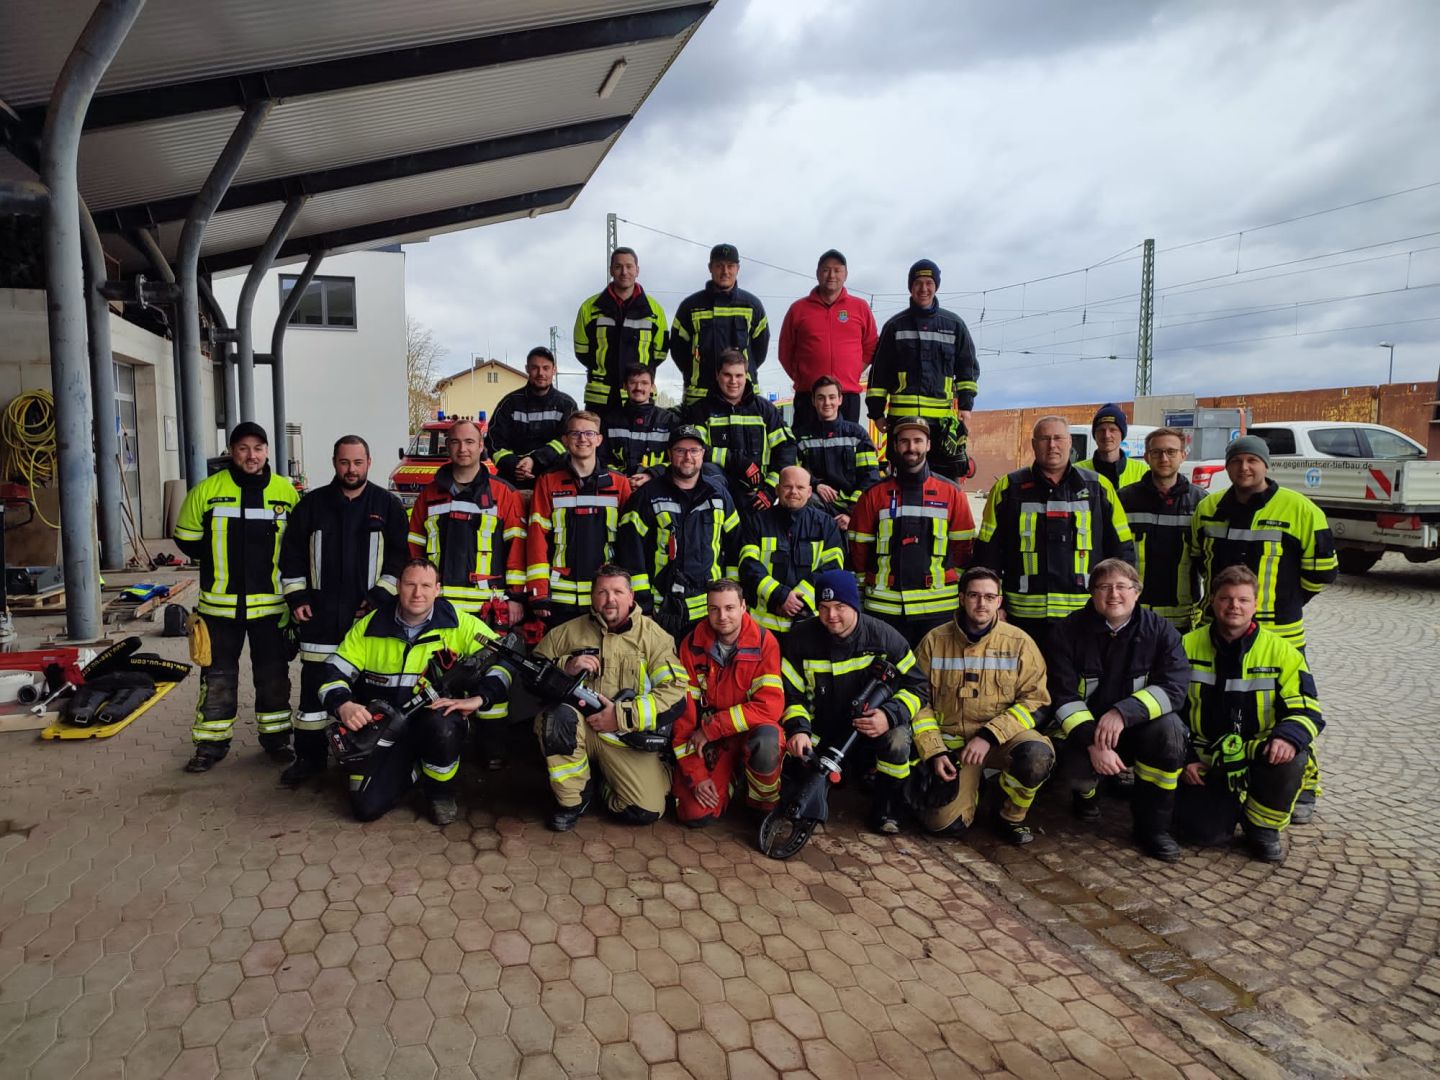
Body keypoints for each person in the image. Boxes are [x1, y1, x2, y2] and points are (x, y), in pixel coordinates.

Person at [1191, 434, 1337, 823]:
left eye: (1253, 461)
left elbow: (1323, 572)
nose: (1245, 468)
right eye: (1237, 461)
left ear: (1266, 465)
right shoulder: (1208, 508)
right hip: (1217, 630)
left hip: (1281, 633)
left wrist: (1287, 603)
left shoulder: (1301, 510)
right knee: (1219, 706)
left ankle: (1304, 787)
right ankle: (1224, 772)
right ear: (1227, 466)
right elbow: (1196, 559)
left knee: (1292, 708)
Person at [319, 560, 513, 825]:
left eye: (425, 585)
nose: (417, 593)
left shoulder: (461, 624)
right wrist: (344, 705)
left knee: (442, 727)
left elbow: (504, 660)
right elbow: (332, 673)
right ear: (398, 587)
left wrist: (479, 699)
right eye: (410, 584)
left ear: (438, 589)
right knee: (365, 808)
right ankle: (413, 768)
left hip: (434, 721)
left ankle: (440, 792)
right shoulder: (370, 626)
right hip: (384, 731)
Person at [278, 435, 411, 785]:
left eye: (357, 463)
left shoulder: (388, 505)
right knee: (313, 693)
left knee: (367, 689)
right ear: (334, 462)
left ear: (369, 462)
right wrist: (298, 598)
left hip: (368, 618)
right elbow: (291, 555)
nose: (350, 470)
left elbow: (400, 557)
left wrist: (380, 596)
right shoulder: (311, 505)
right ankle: (309, 758)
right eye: (343, 462)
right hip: (319, 617)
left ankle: (363, 754)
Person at [173, 422, 299, 773]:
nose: (251, 455)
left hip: (272, 608)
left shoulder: (285, 492)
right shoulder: (207, 491)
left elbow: (297, 545)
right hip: (219, 608)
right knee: (217, 678)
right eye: (243, 448)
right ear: (232, 450)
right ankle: (210, 746)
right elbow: (186, 538)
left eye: (258, 448)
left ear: (268, 451)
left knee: (274, 676)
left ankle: (276, 740)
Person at [1178, 566, 1322, 862]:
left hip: (1260, 753)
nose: (1234, 606)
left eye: (1243, 600)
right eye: (1226, 598)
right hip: (1208, 758)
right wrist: (1187, 758)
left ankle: (1262, 826)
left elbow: (1307, 709)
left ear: (1255, 605)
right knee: (1203, 835)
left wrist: (1287, 737)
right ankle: (1226, 806)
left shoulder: (1282, 652)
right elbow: (1171, 709)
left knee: (1292, 754)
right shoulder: (1185, 646)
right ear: (1212, 602)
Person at [1049, 559, 1190, 861]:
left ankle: (1153, 827)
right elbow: (1062, 696)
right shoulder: (1067, 631)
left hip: (1138, 729)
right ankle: (1086, 794)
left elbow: (1174, 688)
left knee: (1172, 733)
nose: (1114, 594)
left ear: (1136, 592)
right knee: (1071, 771)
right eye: (1104, 587)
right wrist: (1093, 742)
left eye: (1122, 587)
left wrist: (1123, 713)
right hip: (1085, 732)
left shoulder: (1161, 631)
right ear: (1092, 593)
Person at [533, 565, 687, 831]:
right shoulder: (567, 632)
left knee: (644, 811)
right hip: (580, 729)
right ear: (592, 596)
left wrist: (620, 716)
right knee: (555, 720)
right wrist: (566, 666)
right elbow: (533, 673)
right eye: (602, 592)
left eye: (617, 592)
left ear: (631, 596)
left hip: (625, 735)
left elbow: (675, 693)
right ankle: (574, 801)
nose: (610, 599)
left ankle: (607, 784)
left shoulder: (654, 637)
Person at [910, 567, 1053, 844]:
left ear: (999, 601)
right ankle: (973, 787)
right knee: (942, 826)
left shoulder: (1020, 643)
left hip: (1002, 741)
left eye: (989, 597)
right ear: (961, 598)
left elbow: (1036, 702)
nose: (981, 603)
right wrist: (934, 752)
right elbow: (917, 701)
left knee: (1036, 756)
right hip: (954, 748)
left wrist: (989, 736)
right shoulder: (933, 642)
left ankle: (1009, 816)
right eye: (974, 595)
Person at [780, 570, 928, 834]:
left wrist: (889, 716)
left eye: (840, 607)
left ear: (855, 604)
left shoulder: (885, 638)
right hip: (821, 732)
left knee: (897, 741)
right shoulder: (801, 639)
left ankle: (886, 809)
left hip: (871, 730)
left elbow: (919, 687)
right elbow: (792, 694)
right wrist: (799, 729)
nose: (831, 616)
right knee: (795, 782)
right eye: (823, 608)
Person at [973, 415, 1135, 655]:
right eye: (1045, 439)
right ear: (1033, 444)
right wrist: (994, 605)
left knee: (1078, 684)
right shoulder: (1008, 488)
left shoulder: (1098, 488)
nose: (1052, 445)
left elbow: (1122, 552)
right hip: (1022, 618)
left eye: (1058, 438)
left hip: (1085, 615)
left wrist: (1120, 603)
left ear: (1070, 442)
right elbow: (987, 554)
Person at [848, 418, 975, 648]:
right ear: (895, 446)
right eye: (904, 441)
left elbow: (963, 549)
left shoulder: (952, 494)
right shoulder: (873, 495)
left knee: (934, 678)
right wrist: (862, 593)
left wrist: (954, 586)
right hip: (884, 608)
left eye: (918, 441)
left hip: (938, 609)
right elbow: (858, 549)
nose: (911, 447)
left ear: (928, 445)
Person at [671, 580, 785, 825]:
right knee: (693, 814)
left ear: (744, 607)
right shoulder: (691, 645)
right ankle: (732, 778)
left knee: (767, 741)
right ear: (707, 610)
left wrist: (712, 728)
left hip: (743, 733)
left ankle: (762, 807)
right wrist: (697, 775)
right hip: (710, 740)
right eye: (714, 609)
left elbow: (770, 707)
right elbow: (683, 717)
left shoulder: (765, 643)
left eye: (730, 608)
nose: (722, 616)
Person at [616, 425, 741, 643]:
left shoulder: (719, 494)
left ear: (703, 454)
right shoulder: (648, 496)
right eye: (680, 450)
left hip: (709, 609)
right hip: (662, 610)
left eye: (694, 451)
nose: (688, 457)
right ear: (670, 454)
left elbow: (734, 546)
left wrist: (730, 594)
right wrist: (644, 604)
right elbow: (630, 553)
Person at [866, 259, 978, 480]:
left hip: (941, 425)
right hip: (902, 421)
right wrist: (877, 413)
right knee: (902, 483)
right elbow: (879, 373)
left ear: (936, 286)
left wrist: (966, 405)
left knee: (947, 483)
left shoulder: (954, 325)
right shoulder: (895, 326)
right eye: (918, 283)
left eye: (929, 282)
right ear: (910, 287)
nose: (924, 289)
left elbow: (968, 367)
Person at [407, 418, 526, 619]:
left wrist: (515, 597)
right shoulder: (428, 496)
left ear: (481, 446)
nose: (463, 448)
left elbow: (517, 549)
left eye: (469, 442)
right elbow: (414, 550)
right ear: (448, 447)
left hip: (487, 608)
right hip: (437, 607)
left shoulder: (504, 494)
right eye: (455, 442)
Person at [527, 411, 632, 628]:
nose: (582, 439)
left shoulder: (619, 484)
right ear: (565, 440)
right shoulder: (548, 481)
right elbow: (537, 537)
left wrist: (629, 594)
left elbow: (630, 545)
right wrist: (539, 592)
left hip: (606, 599)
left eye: (589, 433)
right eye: (575, 433)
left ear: (599, 439)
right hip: (560, 599)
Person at [737, 466, 846, 633]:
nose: (793, 491)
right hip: (763, 627)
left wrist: (797, 602)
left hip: (808, 623)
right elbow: (748, 565)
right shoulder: (757, 522)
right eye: (787, 486)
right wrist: (779, 595)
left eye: (800, 487)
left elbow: (833, 566)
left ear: (810, 492)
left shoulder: (826, 525)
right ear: (777, 489)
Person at [778, 249, 878, 427]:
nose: (831, 275)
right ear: (817, 273)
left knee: (846, 450)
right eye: (826, 270)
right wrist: (802, 377)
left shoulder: (860, 308)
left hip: (847, 397)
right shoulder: (798, 309)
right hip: (809, 397)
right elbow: (785, 352)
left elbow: (871, 347)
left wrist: (854, 372)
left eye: (837, 270)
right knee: (806, 451)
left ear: (845, 274)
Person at [688, 348, 796, 511]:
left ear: (746, 376)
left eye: (738, 375)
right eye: (727, 375)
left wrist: (770, 490)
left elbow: (786, 451)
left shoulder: (765, 410)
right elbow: (695, 450)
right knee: (708, 471)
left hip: (759, 494)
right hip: (719, 494)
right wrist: (737, 461)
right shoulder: (702, 410)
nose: (733, 381)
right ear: (718, 375)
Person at [1119, 427, 1205, 632]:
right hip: (1133, 615)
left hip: (1183, 619)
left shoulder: (1201, 503)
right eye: (1156, 452)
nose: (1164, 458)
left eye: (1171, 452)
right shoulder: (1124, 500)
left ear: (1183, 456)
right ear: (1147, 457)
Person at [670, 243, 769, 409]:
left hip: (742, 398)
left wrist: (738, 374)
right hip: (700, 398)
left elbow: (759, 352)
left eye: (730, 266)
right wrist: (697, 372)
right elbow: (678, 349)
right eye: (719, 266)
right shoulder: (690, 306)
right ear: (710, 268)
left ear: (738, 268)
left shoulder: (752, 306)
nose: (725, 272)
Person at [573, 246, 668, 408]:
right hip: (601, 399)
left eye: (629, 266)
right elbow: (582, 352)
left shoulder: (655, 310)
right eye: (618, 267)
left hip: (639, 397)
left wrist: (638, 376)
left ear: (637, 270)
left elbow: (660, 353)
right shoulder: (589, 308)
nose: (624, 272)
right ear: (611, 270)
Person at [792, 375, 881, 531]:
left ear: (840, 400)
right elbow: (794, 472)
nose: (827, 403)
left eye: (832, 397)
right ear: (813, 401)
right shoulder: (801, 437)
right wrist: (815, 484)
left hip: (851, 511)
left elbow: (870, 477)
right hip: (816, 509)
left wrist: (851, 513)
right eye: (821, 398)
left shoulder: (857, 434)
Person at [485, 346, 577, 489]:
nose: (541, 373)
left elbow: (568, 441)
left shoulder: (567, 405)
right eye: (535, 368)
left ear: (554, 370)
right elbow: (493, 442)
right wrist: (515, 465)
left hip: (555, 481)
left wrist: (535, 460)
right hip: (513, 479)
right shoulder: (509, 403)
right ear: (527, 369)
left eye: (546, 368)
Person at [603, 365, 679, 486]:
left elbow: (678, 459)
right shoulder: (610, 420)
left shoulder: (670, 421)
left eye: (644, 383)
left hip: (658, 486)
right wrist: (623, 480)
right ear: (625, 386)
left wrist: (651, 474)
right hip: (619, 487)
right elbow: (601, 458)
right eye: (633, 382)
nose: (638, 388)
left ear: (653, 387)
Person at [1078, 403, 1149, 489]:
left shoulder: (1142, 471)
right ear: (1094, 435)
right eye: (1101, 430)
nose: (1107, 435)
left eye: (1113, 429)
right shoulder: (1078, 471)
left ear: (1122, 434)